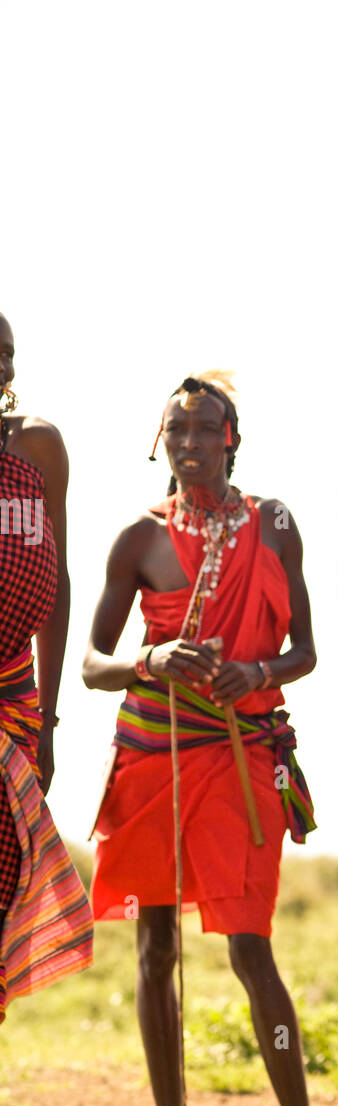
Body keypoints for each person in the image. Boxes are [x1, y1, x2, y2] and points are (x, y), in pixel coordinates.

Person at [83, 372, 329, 1106]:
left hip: (238, 755)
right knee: (154, 952)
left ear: (233, 437)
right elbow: (90, 664)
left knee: (250, 949)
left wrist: (256, 670)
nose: (191, 443)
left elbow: (306, 650)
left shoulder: (276, 523)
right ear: (162, 441)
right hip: (152, 754)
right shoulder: (137, 540)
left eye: (205, 428)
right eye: (176, 429)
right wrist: (149, 661)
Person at [0, 311, 92, 1023]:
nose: (0, 369)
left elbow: (56, 581)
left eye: (5, 355)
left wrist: (52, 720)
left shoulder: (39, 447)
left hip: (17, 700)